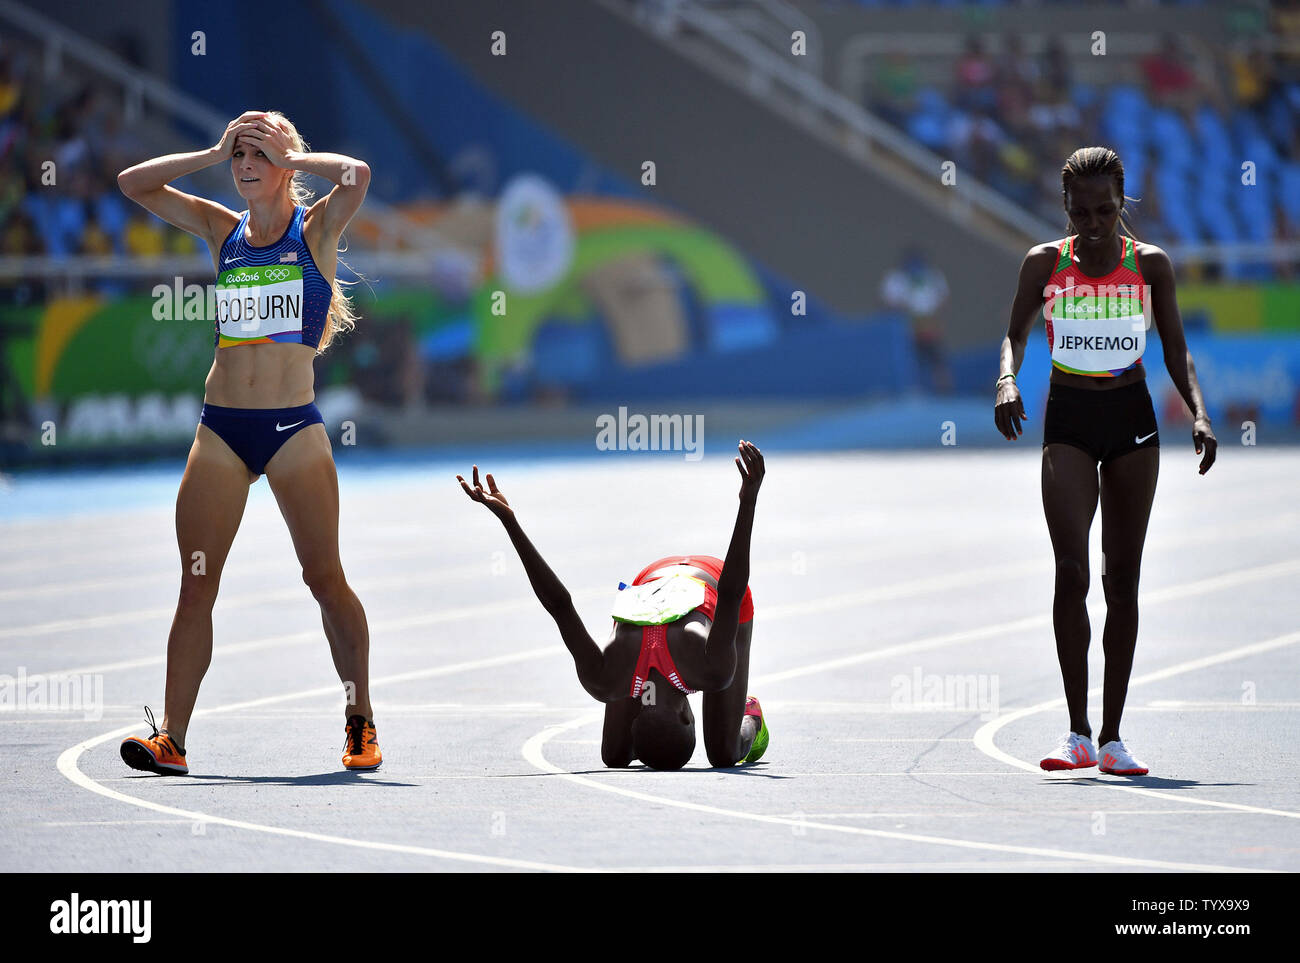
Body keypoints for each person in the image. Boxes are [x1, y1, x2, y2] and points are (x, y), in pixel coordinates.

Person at [116, 111, 380, 773]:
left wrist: (294, 152)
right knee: (195, 587)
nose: (243, 167)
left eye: (256, 156)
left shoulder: (313, 229)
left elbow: (358, 177)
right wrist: (209, 148)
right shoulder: (221, 229)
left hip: (291, 429)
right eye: (238, 157)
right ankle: (171, 738)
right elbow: (132, 183)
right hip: (222, 429)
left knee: (324, 579)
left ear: (283, 164)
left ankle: (360, 719)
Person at [994, 146, 1216, 777]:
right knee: (1072, 574)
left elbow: (1178, 350)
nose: (1093, 224)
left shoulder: (1149, 266)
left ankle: (1114, 738)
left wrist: (1198, 412)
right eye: (1082, 212)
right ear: (1065, 208)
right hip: (1068, 417)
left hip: (1132, 421)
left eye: (1106, 211)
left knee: (1122, 580)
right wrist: (1007, 381)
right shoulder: (1045, 263)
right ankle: (1077, 733)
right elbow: (1013, 335)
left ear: (1124, 206)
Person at [457, 441, 769, 770]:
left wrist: (748, 499)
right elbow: (559, 605)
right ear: (635, 720)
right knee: (722, 752)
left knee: (616, 756)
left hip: (674, 577)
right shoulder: (605, 678)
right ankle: (750, 715)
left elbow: (733, 592)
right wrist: (509, 521)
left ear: (684, 716)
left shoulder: (708, 668)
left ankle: (741, 719)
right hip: (698, 580)